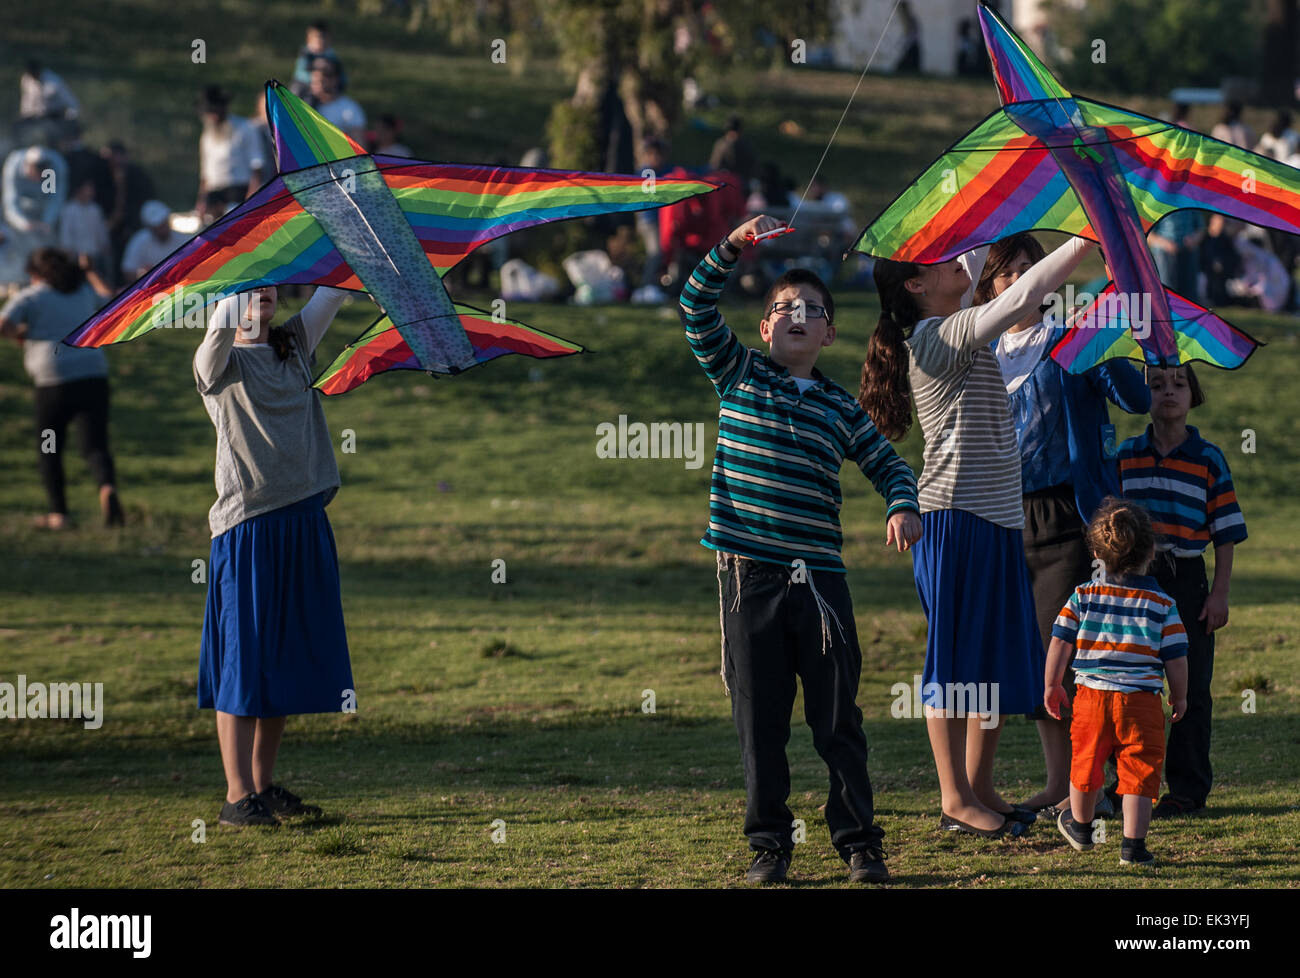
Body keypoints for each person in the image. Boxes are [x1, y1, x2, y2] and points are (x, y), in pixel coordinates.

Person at [680, 214, 921, 884]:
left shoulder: (842, 409)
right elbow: (694, 304)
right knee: (760, 722)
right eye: (783, 308)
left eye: (812, 310)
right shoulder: (738, 375)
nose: (796, 316)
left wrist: (903, 504)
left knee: (837, 717)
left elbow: (891, 467)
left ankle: (859, 842)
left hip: (819, 580)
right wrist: (732, 245)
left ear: (828, 333)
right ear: (763, 328)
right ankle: (769, 846)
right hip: (747, 576)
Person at [859, 235, 1096, 838]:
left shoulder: (951, 320)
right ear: (915, 286)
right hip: (954, 518)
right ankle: (953, 798)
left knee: (988, 663)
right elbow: (1024, 295)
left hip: (995, 520)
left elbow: (973, 246)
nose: (958, 265)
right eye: (938, 264)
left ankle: (981, 787)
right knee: (953, 662)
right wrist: (1084, 239)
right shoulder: (937, 337)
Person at [974, 233, 1150, 815]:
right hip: (999, 519)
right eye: (1011, 272)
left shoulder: (1071, 339)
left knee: (1073, 654)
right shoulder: (980, 355)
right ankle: (1057, 785)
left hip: (1068, 518)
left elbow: (1133, 397)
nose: (1026, 279)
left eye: (1035, 267)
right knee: (1027, 659)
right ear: (991, 288)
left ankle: (1089, 789)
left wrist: (1116, 329)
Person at [194, 283, 354, 827]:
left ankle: (262, 784)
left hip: (304, 520)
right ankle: (236, 796)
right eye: (247, 290)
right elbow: (218, 328)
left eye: (266, 287)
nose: (259, 296)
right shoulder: (218, 362)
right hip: (248, 530)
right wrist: (236, 279)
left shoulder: (295, 343)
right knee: (243, 662)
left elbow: (331, 294)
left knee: (281, 659)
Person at [1118, 365, 1245, 818]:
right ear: (1142, 394)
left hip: (1189, 581)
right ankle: (1127, 785)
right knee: (1129, 684)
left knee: (1192, 687)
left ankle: (1186, 790)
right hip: (1134, 582)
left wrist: (1220, 594)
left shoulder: (1209, 457)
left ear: (1194, 394)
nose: (1168, 392)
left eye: (1178, 384)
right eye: (1156, 385)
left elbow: (1226, 532)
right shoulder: (1126, 454)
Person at [1046, 498, 1188, 867]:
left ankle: (1080, 826)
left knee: (1085, 762)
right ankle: (1133, 848)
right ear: (1151, 550)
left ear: (1095, 551)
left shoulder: (1083, 596)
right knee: (1139, 770)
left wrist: (1052, 685)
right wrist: (1181, 696)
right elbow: (1176, 656)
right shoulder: (1162, 603)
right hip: (1141, 701)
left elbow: (1060, 640)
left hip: (1091, 698)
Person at [0, 247, 123, 529]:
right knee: (95, 444)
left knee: (50, 447)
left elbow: (3, 323)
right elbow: (111, 300)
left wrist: (21, 334)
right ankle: (106, 487)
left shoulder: (32, 295)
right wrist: (90, 271)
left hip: (52, 382)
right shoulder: (81, 291)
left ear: (35, 273)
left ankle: (59, 514)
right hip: (93, 374)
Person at [196, 86, 264, 225]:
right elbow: (205, 174)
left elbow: (257, 165)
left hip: (238, 191)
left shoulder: (245, 128)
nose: (213, 116)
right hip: (214, 195)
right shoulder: (206, 136)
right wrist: (201, 202)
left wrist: (252, 198)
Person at [58, 177, 112, 280]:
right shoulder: (69, 210)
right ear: (79, 190)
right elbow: (66, 234)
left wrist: (104, 245)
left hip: (94, 256)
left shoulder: (95, 209)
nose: (91, 192)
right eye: (88, 189)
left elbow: (100, 231)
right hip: (77, 257)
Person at [121, 200, 187, 283]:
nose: (163, 227)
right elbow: (128, 271)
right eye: (158, 224)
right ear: (150, 227)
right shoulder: (139, 241)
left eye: (164, 222)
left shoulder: (183, 239)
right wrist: (142, 273)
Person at [308, 58, 365, 141]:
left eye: (320, 80)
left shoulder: (349, 109)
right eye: (313, 81)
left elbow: (359, 143)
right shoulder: (306, 105)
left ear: (335, 80)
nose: (314, 84)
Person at [291, 20, 347, 97]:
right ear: (309, 39)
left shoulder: (331, 56)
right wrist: (314, 79)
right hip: (305, 85)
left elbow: (342, 77)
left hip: (326, 88)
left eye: (324, 38)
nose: (321, 41)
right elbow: (301, 71)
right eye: (318, 38)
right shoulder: (306, 53)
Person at [708, 115, 757, 192]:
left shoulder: (721, 143)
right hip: (738, 182)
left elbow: (714, 164)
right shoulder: (744, 143)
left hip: (725, 182)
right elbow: (753, 164)